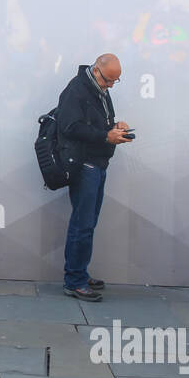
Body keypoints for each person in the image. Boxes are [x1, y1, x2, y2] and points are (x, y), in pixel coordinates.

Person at [57, 53, 133, 300]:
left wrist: (114, 126)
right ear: (96, 70)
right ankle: (74, 280)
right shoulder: (76, 90)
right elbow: (70, 126)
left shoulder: (97, 88)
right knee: (83, 223)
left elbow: (94, 123)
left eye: (115, 81)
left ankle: (79, 271)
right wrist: (104, 136)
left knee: (88, 222)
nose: (111, 85)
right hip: (85, 165)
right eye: (109, 80)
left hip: (98, 163)